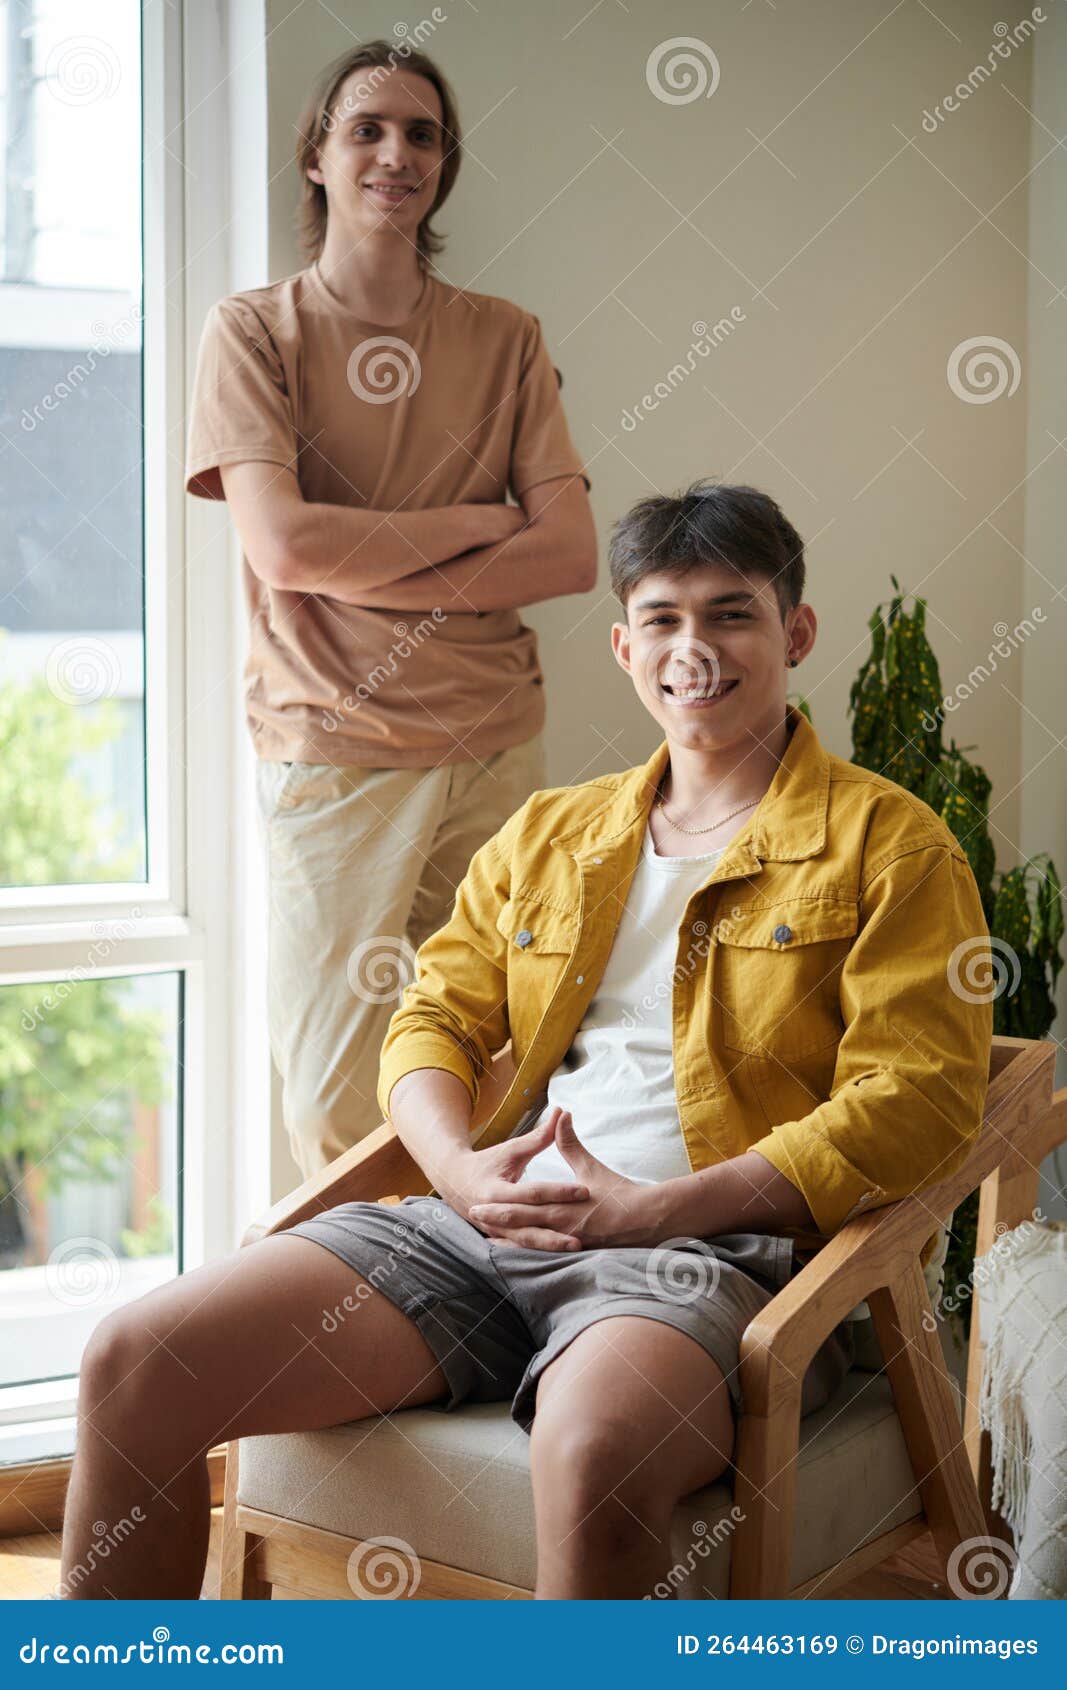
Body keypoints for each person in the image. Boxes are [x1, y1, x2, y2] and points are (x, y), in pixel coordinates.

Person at [61, 481, 992, 1601]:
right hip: (472, 1231)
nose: (691, 646)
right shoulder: (551, 833)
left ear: (793, 631)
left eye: (728, 612)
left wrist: (654, 1209)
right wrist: (455, 1169)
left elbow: (916, 1100)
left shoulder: (891, 847)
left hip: (691, 1258)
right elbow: (431, 1020)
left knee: (593, 1453)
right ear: (622, 644)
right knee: (135, 1360)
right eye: (661, 617)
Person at [184, 40, 595, 1177]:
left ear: (442, 166)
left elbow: (568, 554)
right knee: (331, 1093)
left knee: (492, 1067)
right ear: (315, 157)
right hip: (337, 747)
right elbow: (282, 543)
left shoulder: (504, 337)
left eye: (420, 133)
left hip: (492, 741)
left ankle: (454, 1329)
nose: (394, 153)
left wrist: (360, 558)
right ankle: (353, 1338)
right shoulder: (253, 331)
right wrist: (475, 521)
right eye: (365, 129)